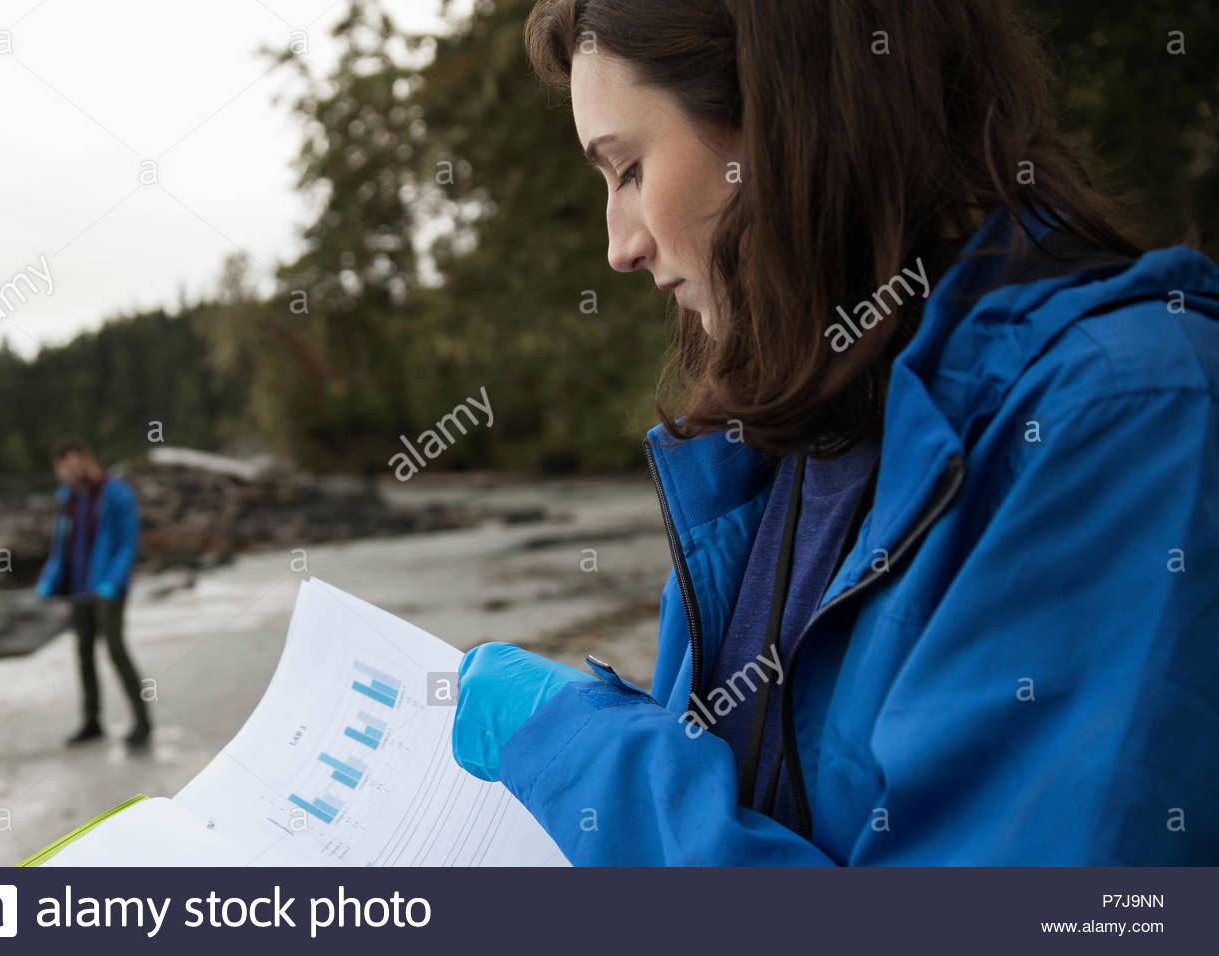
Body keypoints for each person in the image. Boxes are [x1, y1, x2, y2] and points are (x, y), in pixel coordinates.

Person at [450, 0, 1219, 864]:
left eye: (627, 169)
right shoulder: (777, 448)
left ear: (785, 124)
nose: (619, 247)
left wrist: (588, 761)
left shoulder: (1127, 415)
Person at [36, 437, 151, 748]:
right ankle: (92, 721)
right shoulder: (67, 500)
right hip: (78, 590)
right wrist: (49, 580)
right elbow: (61, 548)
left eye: (76, 463)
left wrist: (113, 581)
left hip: (109, 589)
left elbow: (128, 543)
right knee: (83, 654)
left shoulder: (116, 494)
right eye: (65, 468)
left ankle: (142, 719)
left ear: (87, 459)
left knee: (115, 649)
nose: (72, 472)